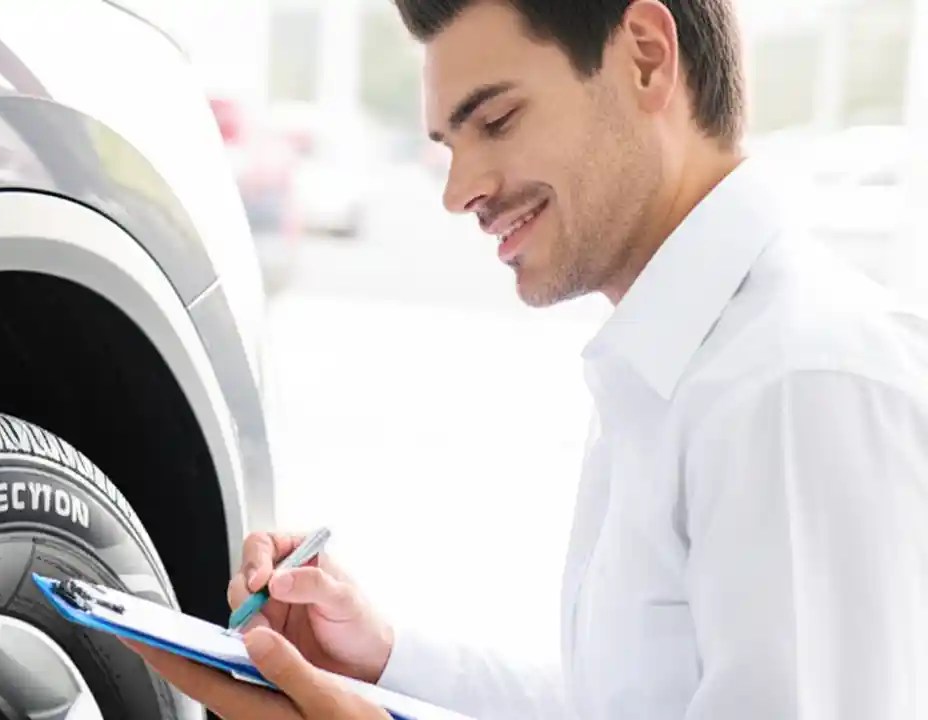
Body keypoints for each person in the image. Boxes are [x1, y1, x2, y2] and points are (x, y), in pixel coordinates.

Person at [125, 0, 928, 717]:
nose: (458, 190)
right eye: (448, 143)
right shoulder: (682, 363)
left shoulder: (793, 384)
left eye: (497, 122)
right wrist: (380, 660)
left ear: (646, 57)